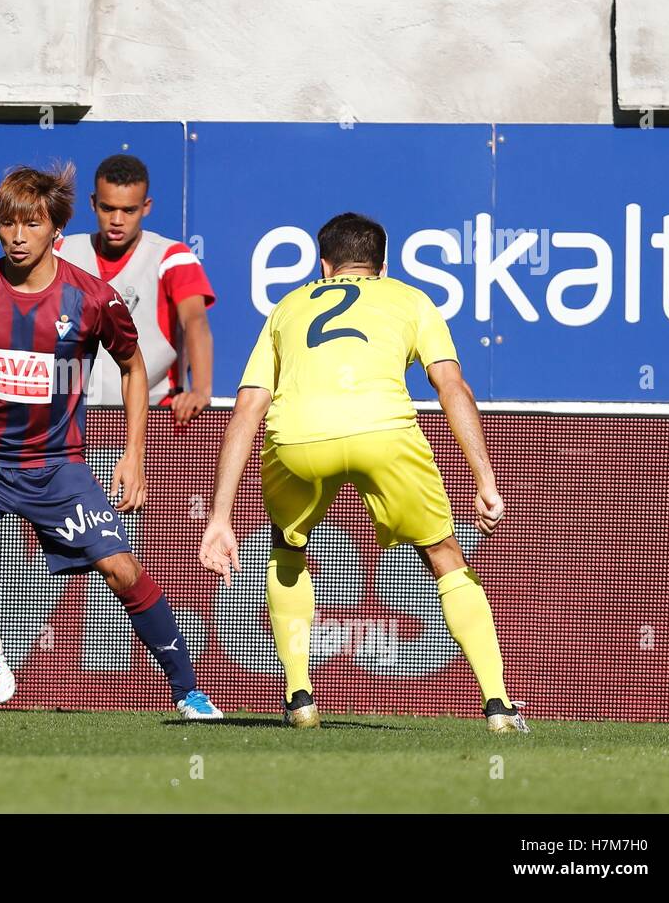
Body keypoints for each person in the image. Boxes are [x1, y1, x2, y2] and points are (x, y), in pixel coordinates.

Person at [0, 163, 222, 719]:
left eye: (31, 224)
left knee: (121, 569)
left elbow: (134, 369)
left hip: (56, 465)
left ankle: (189, 692)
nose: (17, 236)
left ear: (54, 230)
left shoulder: (92, 300)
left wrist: (134, 455)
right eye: (7, 224)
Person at [198, 212, 527, 733]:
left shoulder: (287, 306)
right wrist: (485, 479)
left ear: (324, 265)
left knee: (288, 547)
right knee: (445, 557)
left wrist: (219, 517)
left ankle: (299, 696)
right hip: (383, 433)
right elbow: (453, 388)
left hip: (298, 439)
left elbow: (248, 408)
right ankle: (499, 707)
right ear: (383, 265)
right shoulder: (410, 298)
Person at [0, 153, 215, 426]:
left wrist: (201, 390)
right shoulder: (61, 249)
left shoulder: (172, 257)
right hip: (67, 419)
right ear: (93, 203)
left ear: (146, 206)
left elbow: (195, 323)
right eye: (107, 207)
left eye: (128, 210)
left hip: (152, 414)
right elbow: (1, 324)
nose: (117, 220)